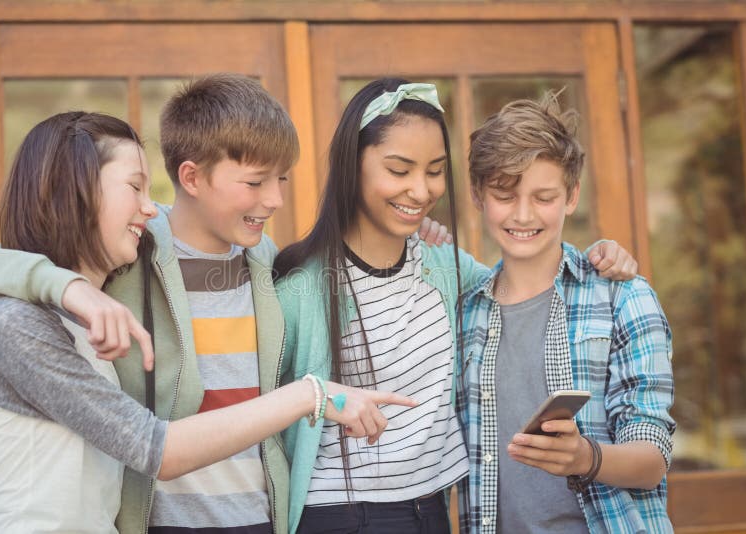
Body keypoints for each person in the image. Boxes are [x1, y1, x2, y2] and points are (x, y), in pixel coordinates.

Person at [0, 76, 412, 534]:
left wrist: (413, 237)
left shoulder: (261, 264)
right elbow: (158, 449)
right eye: (135, 188)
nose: (149, 206)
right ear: (74, 192)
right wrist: (66, 286)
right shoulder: (24, 320)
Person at [272, 78, 638, 534]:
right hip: (340, 514)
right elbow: (263, 413)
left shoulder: (447, 268)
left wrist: (599, 255)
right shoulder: (301, 289)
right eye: (399, 170)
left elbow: (527, 280)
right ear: (354, 166)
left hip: (432, 510)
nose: (421, 190)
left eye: (434, 170)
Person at [456, 92, 675, 533]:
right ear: (479, 196)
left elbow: (653, 458)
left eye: (543, 197)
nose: (522, 214)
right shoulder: (465, 312)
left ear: (572, 196)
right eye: (504, 194)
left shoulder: (624, 298)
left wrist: (586, 458)